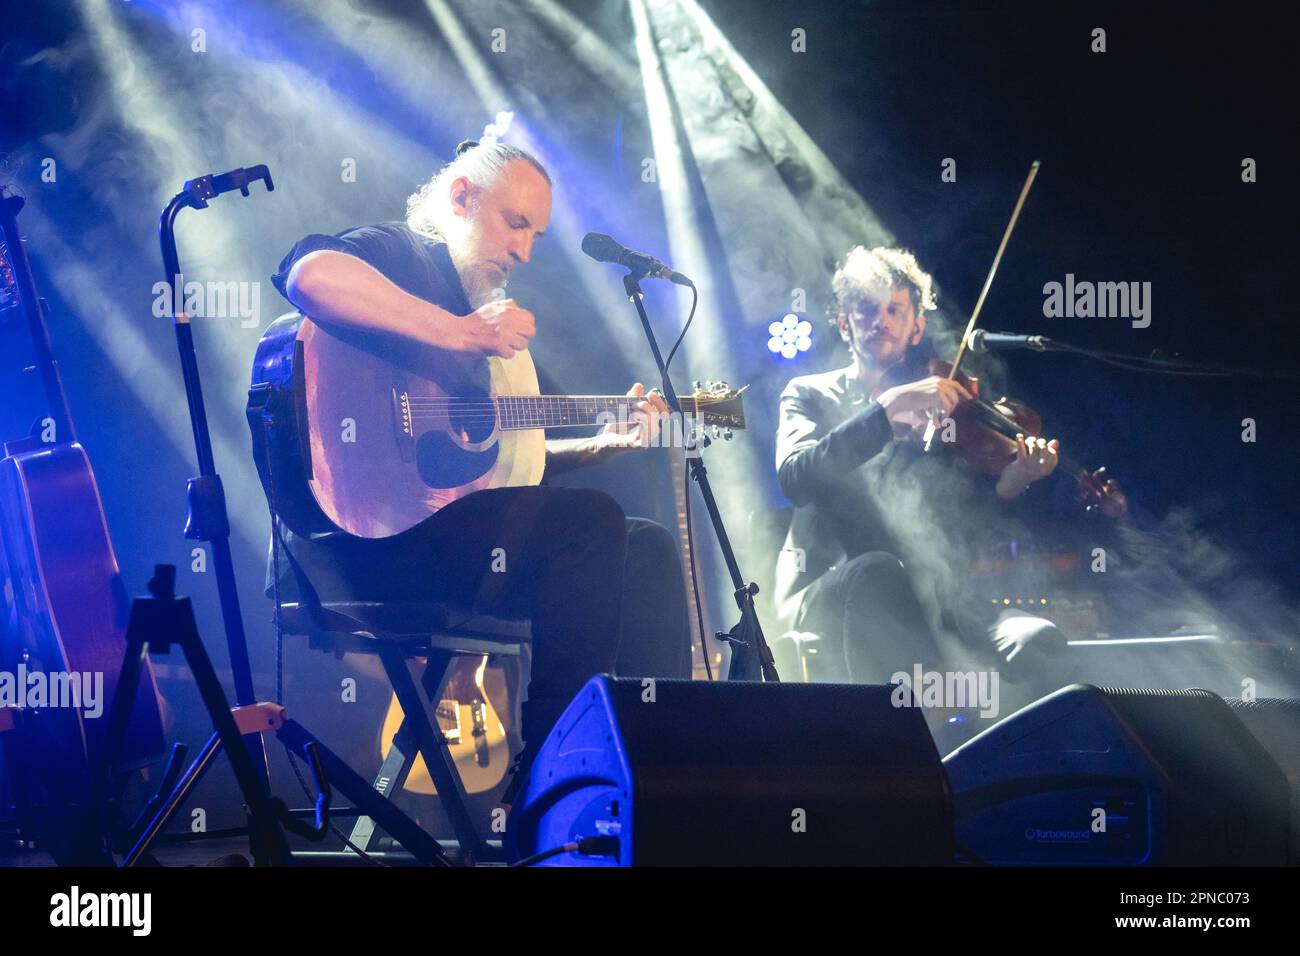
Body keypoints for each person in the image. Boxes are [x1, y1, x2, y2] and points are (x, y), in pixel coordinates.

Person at [264, 139, 692, 804]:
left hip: (441, 535)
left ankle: (658, 768)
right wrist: (463, 335)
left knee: (648, 549)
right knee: (590, 524)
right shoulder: (404, 254)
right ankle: (555, 780)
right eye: (515, 223)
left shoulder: (482, 320)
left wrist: (597, 447)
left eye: (537, 235)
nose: (524, 251)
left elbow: (500, 479)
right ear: (460, 198)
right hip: (358, 545)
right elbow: (310, 277)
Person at [773, 246, 1066, 687]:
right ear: (843, 323)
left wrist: (1013, 480)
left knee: (1036, 639)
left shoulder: (939, 400)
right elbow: (796, 478)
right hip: (835, 584)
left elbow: (959, 518)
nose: (881, 320)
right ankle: (911, 746)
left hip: (936, 592)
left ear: (916, 328)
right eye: (866, 308)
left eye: (894, 309)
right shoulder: (809, 394)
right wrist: (886, 410)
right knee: (880, 572)